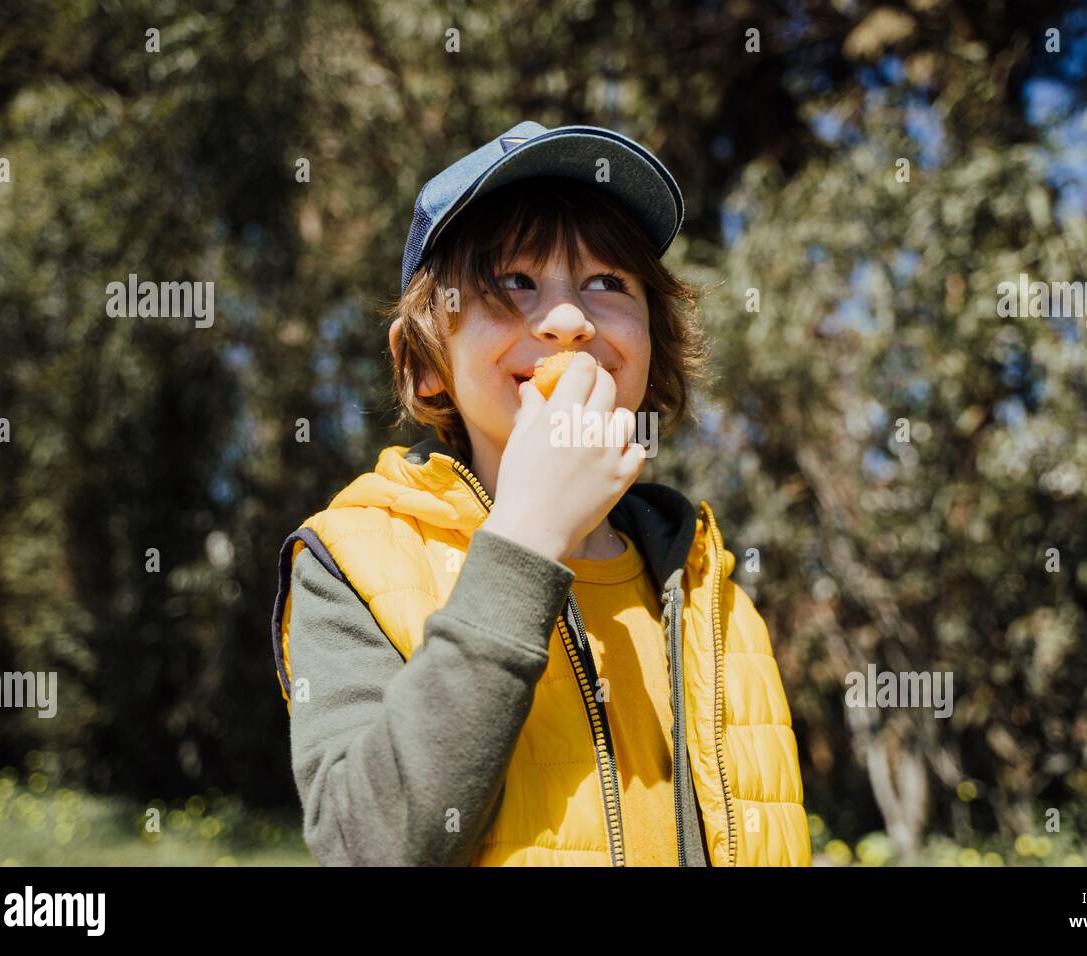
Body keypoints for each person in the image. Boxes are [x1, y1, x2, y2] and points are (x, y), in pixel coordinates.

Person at [269, 120, 811, 866]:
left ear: (653, 352)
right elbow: (367, 846)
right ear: (425, 365)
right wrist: (524, 539)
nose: (567, 321)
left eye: (607, 283)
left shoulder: (712, 592)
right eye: (512, 282)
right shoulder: (351, 561)